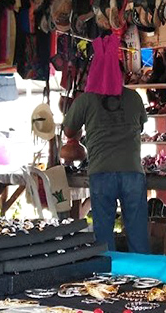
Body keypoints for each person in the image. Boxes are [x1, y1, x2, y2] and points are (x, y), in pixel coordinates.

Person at [63, 89, 149, 254]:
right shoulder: (133, 97)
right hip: (131, 168)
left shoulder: (86, 99)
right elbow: (140, 126)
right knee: (137, 230)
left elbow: (69, 131)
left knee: (103, 230)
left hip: (101, 170)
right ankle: (142, 276)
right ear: (121, 75)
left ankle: (106, 275)